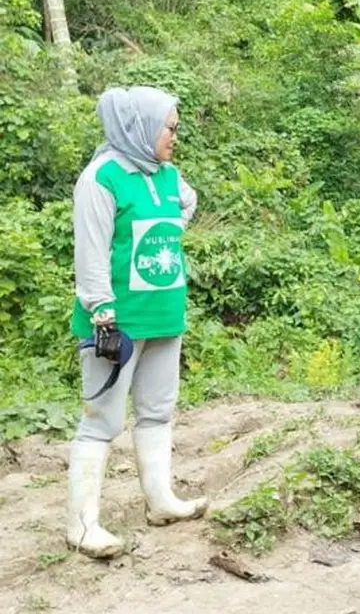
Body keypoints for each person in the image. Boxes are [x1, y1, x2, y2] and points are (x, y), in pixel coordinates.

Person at [67, 87, 207, 559]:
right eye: (170, 128)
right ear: (140, 127)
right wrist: (102, 313)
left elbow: (187, 204)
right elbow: (90, 252)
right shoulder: (101, 178)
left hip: (164, 313)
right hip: (117, 321)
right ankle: (82, 526)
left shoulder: (167, 176)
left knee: (158, 410)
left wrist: (173, 229)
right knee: (101, 420)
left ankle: (160, 501)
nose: (174, 137)